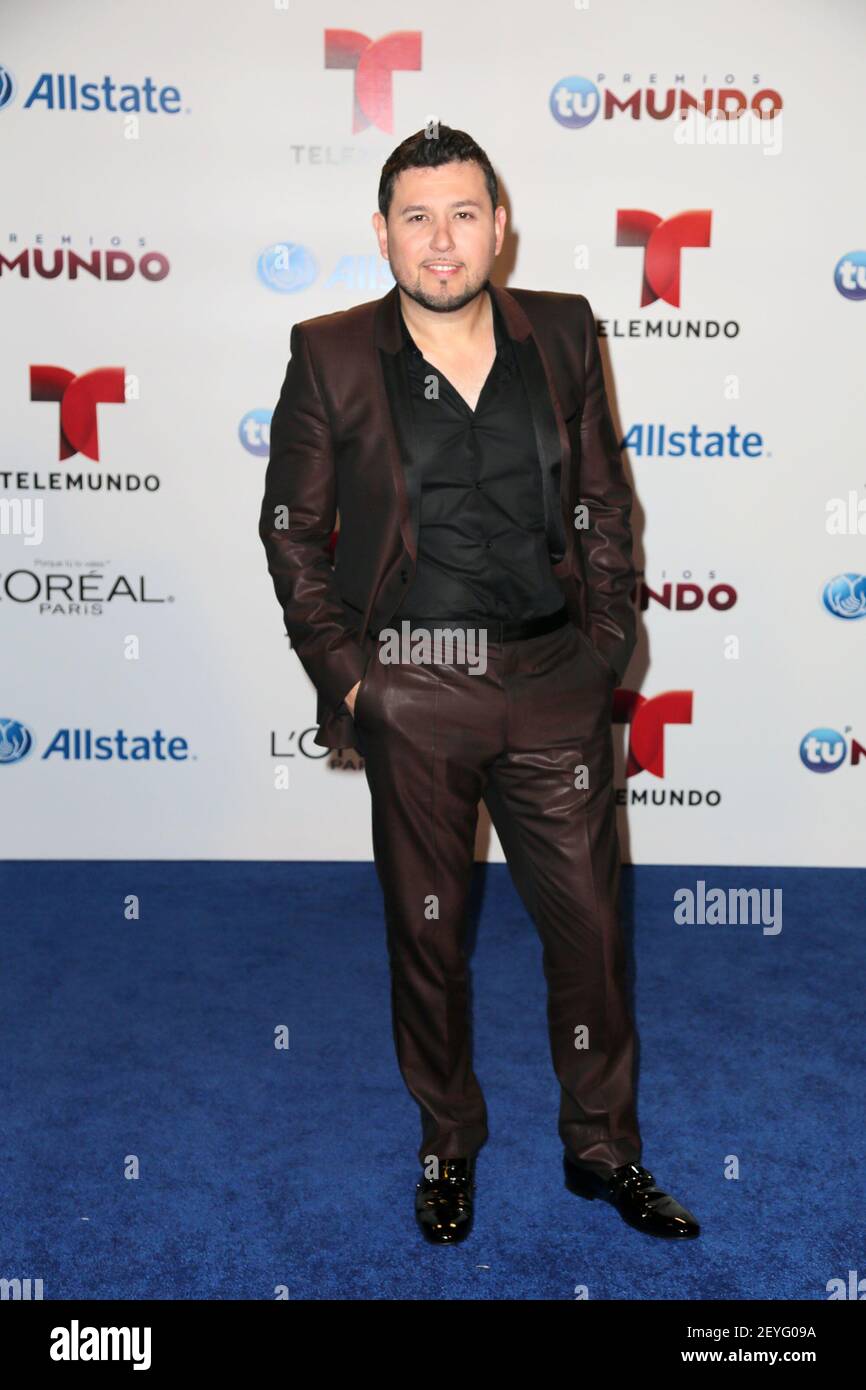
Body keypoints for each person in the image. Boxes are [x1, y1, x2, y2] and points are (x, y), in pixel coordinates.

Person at [259, 125, 699, 1244]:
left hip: (554, 669)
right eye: (416, 216)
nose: (440, 239)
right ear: (380, 233)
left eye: (462, 214)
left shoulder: (559, 331)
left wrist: (606, 641)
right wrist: (357, 685)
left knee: (590, 929)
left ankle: (601, 1148)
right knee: (430, 931)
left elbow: (603, 495)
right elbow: (292, 536)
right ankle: (446, 1141)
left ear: (499, 226)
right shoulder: (330, 352)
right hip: (414, 682)